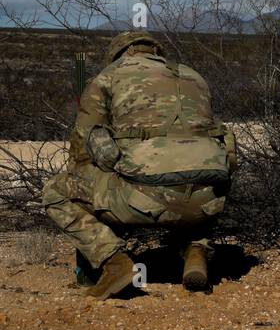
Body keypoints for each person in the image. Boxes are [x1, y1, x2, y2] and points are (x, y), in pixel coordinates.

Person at [43, 31, 235, 300]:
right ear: (155, 51)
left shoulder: (109, 76)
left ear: (119, 53)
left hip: (145, 201)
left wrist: (103, 173)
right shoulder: (193, 76)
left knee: (56, 191)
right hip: (208, 202)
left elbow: (82, 148)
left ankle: (114, 262)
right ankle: (196, 250)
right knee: (191, 169)